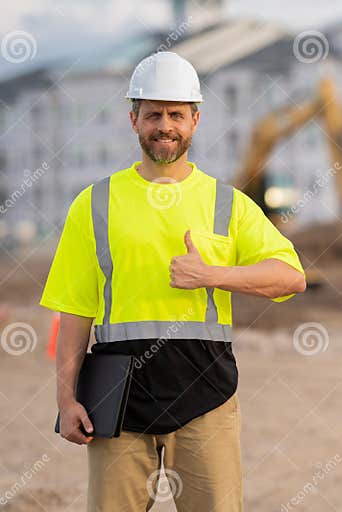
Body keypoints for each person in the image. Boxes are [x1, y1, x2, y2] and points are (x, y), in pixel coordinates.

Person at [40, 51, 306, 511]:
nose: (165, 125)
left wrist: (211, 275)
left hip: (207, 396)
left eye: (176, 115)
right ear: (133, 119)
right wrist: (66, 401)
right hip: (116, 399)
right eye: (154, 114)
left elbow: (290, 278)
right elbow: (74, 310)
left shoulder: (229, 203)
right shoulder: (95, 203)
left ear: (195, 120)